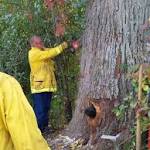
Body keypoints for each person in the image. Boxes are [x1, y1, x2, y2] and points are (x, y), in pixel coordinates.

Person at [0, 72, 50, 150]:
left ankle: (43, 128)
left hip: (44, 85)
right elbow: (26, 139)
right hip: (40, 86)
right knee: (41, 112)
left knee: (43, 110)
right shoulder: (5, 84)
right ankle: (42, 128)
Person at [28, 35, 68, 132]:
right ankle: (38, 130)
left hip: (47, 86)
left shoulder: (42, 50)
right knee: (40, 110)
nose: (41, 44)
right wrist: (62, 46)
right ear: (33, 44)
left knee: (45, 108)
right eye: (38, 43)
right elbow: (51, 53)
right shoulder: (33, 53)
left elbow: (49, 51)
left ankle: (44, 128)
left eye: (41, 41)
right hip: (39, 87)